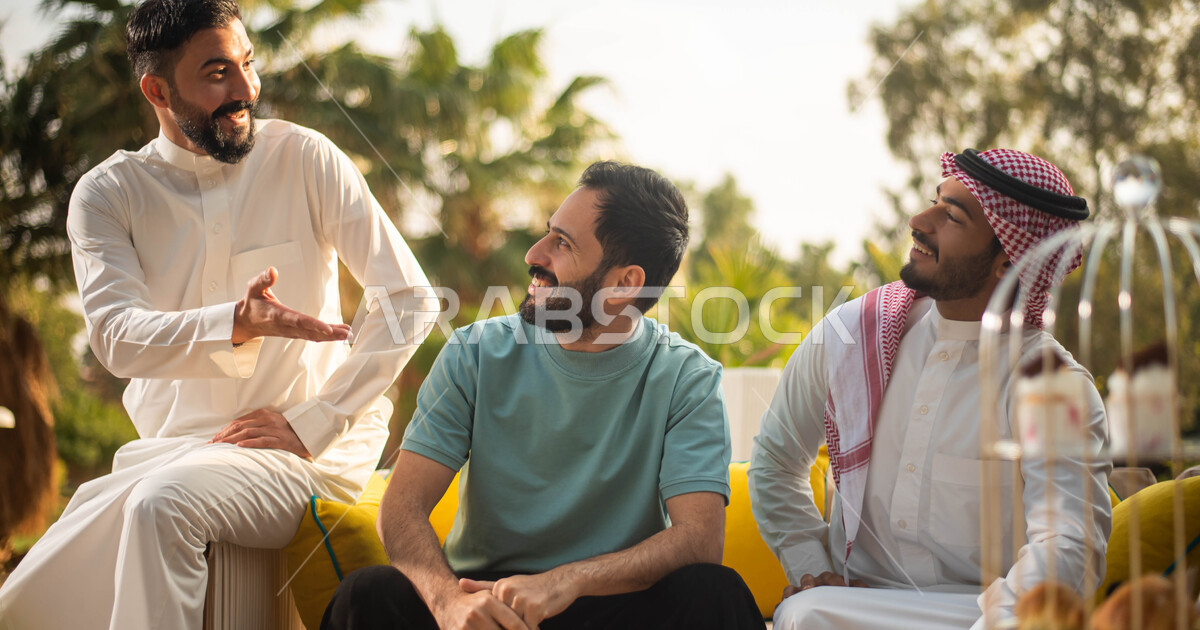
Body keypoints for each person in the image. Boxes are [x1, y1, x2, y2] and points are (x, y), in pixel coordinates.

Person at [0, 0, 437, 627]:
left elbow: (410, 298)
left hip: (309, 452)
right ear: (157, 90)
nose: (246, 90)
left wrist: (316, 419)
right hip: (174, 449)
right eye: (217, 73)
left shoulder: (305, 156)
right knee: (24, 606)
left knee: (161, 507)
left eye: (247, 64)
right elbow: (116, 338)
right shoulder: (107, 194)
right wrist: (235, 322)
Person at [322, 161, 766, 630]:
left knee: (714, 592)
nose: (534, 254)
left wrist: (566, 581)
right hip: (482, 605)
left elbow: (699, 540)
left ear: (625, 283)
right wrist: (447, 601)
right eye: (548, 233)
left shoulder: (686, 377)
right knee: (367, 594)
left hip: (610, 603)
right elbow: (401, 508)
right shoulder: (475, 353)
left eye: (563, 244)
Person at [749, 149, 1111, 629]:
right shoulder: (853, 335)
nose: (920, 222)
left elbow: (1068, 546)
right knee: (804, 613)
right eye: (936, 201)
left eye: (952, 217)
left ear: (1007, 262)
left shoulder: (1051, 385)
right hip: (858, 607)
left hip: (980, 612)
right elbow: (775, 461)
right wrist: (812, 568)